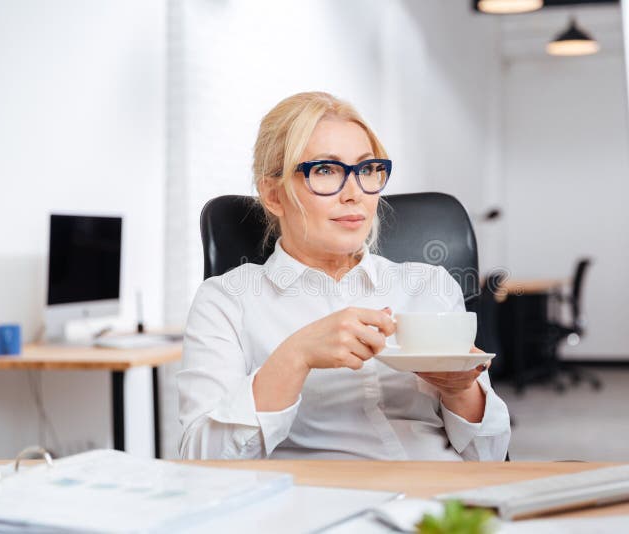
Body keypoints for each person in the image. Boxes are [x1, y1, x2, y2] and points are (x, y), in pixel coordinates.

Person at [177, 91, 510, 460]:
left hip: (440, 500)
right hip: (321, 503)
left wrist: (460, 388)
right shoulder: (226, 300)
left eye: (367, 170)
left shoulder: (429, 286)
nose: (355, 194)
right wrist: (295, 356)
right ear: (273, 195)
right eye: (325, 171)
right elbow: (202, 461)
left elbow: (490, 457)